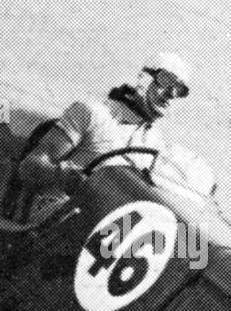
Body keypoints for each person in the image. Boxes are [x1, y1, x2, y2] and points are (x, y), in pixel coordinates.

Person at [16, 57, 193, 210]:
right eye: (166, 80)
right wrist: (66, 176)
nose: (172, 93)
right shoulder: (92, 112)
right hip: (56, 219)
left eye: (180, 90)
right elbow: (30, 166)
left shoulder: (155, 145)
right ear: (145, 78)